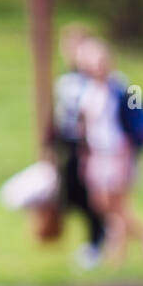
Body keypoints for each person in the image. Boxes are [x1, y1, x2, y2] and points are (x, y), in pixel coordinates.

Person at [74, 37, 143, 266]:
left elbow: (140, 120)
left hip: (119, 152)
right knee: (101, 204)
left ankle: (117, 258)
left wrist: (132, 149)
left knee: (118, 205)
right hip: (98, 153)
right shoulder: (89, 89)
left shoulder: (124, 89)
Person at [46, 24, 106, 268]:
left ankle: (99, 240)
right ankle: (100, 237)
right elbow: (62, 114)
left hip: (92, 147)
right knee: (70, 193)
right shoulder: (67, 80)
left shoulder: (100, 83)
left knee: (93, 196)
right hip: (69, 144)